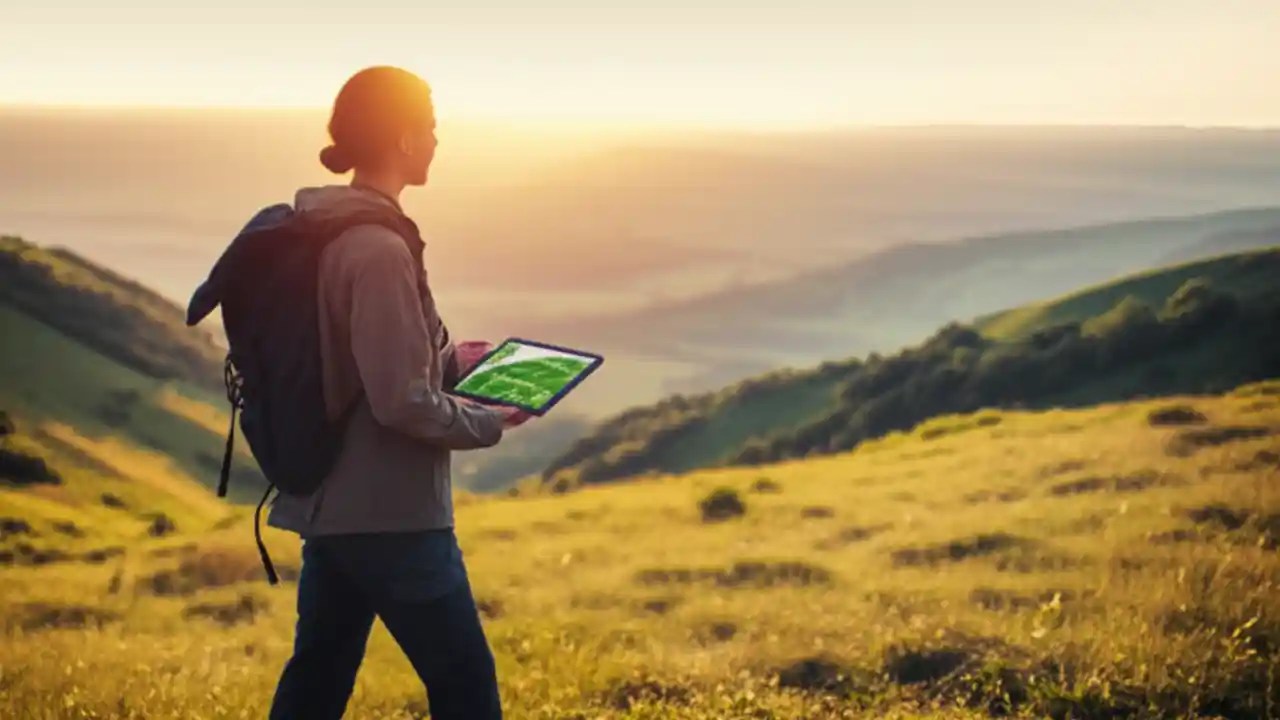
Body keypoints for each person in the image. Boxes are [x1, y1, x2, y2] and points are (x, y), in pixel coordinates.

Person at [266, 66, 529, 720]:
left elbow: (356, 359)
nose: (438, 140)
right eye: (431, 127)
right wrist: (488, 420)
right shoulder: (379, 248)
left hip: (333, 507)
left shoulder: (326, 228)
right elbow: (400, 401)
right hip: (394, 516)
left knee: (317, 683)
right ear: (406, 139)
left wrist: (449, 361)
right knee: (466, 688)